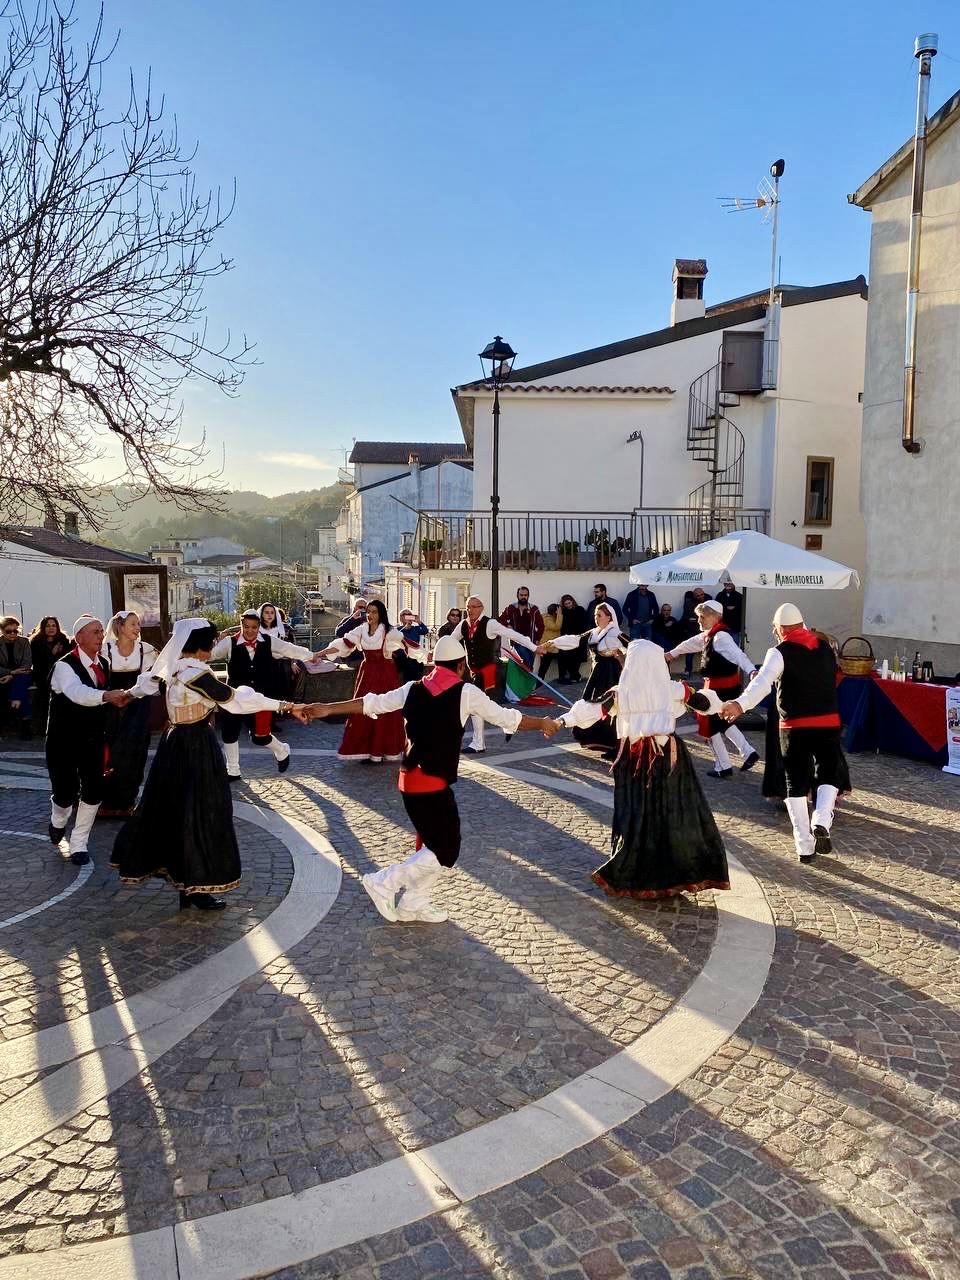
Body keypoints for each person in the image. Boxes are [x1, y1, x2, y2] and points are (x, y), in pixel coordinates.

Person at [304, 634, 559, 923]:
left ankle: (414, 903)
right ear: (461, 665)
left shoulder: (412, 688)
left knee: (431, 846)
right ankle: (385, 881)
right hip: (431, 784)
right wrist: (542, 723)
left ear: (434, 664)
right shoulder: (466, 692)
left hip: (408, 780)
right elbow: (508, 718)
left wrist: (328, 707)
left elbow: (370, 703)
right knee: (446, 849)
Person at [111, 620, 308, 910]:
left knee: (176, 810)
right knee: (203, 811)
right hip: (196, 746)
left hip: (173, 743)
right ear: (202, 644)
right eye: (212, 641)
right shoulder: (195, 673)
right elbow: (235, 700)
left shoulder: (172, 668)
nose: (214, 646)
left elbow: (144, 685)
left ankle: (186, 883)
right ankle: (195, 884)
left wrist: (127, 695)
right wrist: (285, 706)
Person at [553, 641, 731, 899]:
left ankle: (637, 874)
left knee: (636, 816)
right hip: (667, 760)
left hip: (633, 760)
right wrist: (724, 705)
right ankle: (674, 873)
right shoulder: (674, 690)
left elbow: (589, 711)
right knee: (674, 816)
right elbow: (704, 703)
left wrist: (562, 720)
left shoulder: (620, 694)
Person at [721, 603, 849, 863]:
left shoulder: (779, 651)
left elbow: (762, 683)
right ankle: (822, 819)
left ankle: (804, 845)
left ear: (779, 629)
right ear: (802, 623)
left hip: (795, 726)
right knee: (829, 771)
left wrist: (740, 704)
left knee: (795, 781)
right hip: (828, 722)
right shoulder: (825, 647)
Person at [46, 615, 132, 866]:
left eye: (100, 632)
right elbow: (77, 694)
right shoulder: (64, 666)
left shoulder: (103, 664)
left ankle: (79, 842)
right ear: (79, 637)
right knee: (64, 793)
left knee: (94, 790)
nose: (100, 636)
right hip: (63, 741)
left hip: (93, 739)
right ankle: (57, 820)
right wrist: (107, 695)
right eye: (95, 632)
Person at [211, 610, 320, 779]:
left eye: (254, 627)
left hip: (260, 697)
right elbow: (211, 654)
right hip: (234, 697)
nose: (249, 631)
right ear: (241, 625)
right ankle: (233, 770)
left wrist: (311, 656)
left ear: (259, 627)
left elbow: (289, 649)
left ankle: (281, 750)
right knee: (229, 731)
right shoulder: (229, 643)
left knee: (259, 737)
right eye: (246, 626)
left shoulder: (269, 641)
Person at [664, 599, 759, 778]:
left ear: (716, 617)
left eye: (702, 617)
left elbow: (738, 655)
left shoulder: (721, 636)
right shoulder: (709, 634)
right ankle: (744, 753)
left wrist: (752, 670)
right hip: (718, 686)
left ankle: (725, 764)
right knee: (721, 722)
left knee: (709, 724)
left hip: (721, 687)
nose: (699, 620)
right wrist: (671, 654)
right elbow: (690, 643)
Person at [453, 595, 542, 754]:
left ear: (481, 608)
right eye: (467, 607)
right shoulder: (464, 625)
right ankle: (507, 726)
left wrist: (534, 648)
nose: (470, 610)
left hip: (488, 671)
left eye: (473, 607)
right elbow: (450, 640)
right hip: (473, 672)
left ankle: (480, 742)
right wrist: (435, 652)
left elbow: (514, 635)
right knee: (484, 706)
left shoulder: (490, 623)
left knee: (476, 706)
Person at [321, 599, 406, 762]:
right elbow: (343, 644)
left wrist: (425, 654)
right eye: (368, 612)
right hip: (367, 673)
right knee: (363, 708)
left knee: (385, 709)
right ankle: (369, 750)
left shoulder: (389, 631)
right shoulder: (361, 630)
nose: (370, 615)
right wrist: (320, 654)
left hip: (385, 675)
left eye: (374, 612)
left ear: (381, 614)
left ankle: (382, 750)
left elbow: (407, 644)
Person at [98, 612, 159, 817]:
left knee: (134, 753)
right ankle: (106, 802)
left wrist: (131, 696)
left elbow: (151, 680)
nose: (137, 628)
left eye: (138, 624)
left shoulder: (146, 650)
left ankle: (126, 801)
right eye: (133, 624)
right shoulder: (105, 651)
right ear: (120, 626)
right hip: (110, 709)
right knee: (111, 752)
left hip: (137, 708)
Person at [545, 603, 626, 754]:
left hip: (610, 673)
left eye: (599, 615)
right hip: (596, 672)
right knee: (590, 703)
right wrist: (554, 642)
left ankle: (613, 744)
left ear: (609, 617)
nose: (596, 618)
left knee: (608, 707)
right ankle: (594, 739)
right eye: (595, 615)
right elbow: (575, 640)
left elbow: (634, 646)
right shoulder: (594, 633)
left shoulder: (615, 633)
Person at [29, 616, 71, 732]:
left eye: (53, 625)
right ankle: (42, 726)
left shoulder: (63, 640)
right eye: (47, 626)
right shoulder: (36, 642)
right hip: (42, 674)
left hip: (59, 673)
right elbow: (37, 662)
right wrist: (51, 653)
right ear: (43, 628)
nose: (51, 628)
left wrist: (57, 654)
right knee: (44, 693)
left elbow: (65, 660)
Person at [0, 616, 33, 738]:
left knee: (22, 679)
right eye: (9, 631)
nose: (13, 634)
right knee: (19, 687)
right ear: (2, 631)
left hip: (23, 674)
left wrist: (12, 675)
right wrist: (11, 673)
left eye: (16, 631)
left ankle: (15, 700)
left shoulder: (24, 642)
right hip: (6, 675)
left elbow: (27, 663)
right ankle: (25, 724)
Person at [498, 586, 544, 672]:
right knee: (526, 664)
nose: (523, 597)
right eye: (521, 595)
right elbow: (500, 619)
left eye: (525, 595)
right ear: (517, 595)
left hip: (531, 642)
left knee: (528, 665)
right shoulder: (511, 608)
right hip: (516, 641)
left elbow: (541, 625)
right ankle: (527, 678)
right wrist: (508, 625)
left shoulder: (534, 609)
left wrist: (538, 639)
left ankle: (527, 683)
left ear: (528, 596)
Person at [557, 594, 589, 684]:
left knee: (577, 659)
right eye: (566, 604)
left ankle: (575, 676)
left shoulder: (580, 609)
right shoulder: (564, 612)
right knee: (569, 658)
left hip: (579, 638)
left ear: (572, 601)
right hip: (567, 639)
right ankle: (573, 676)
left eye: (569, 603)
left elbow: (585, 623)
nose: (568, 605)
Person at [680, 586, 710, 675]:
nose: (701, 597)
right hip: (692, 630)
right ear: (694, 596)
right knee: (690, 650)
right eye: (698, 595)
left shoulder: (708, 602)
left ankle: (706, 671)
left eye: (702, 594)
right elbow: (686, 617)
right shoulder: (689, 604)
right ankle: (688, 670)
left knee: (707, 651)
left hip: (705, 630)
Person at [396, 610, 430, 682]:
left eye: (409, 614)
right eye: (405, 614)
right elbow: (396, 636)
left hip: (415, 657)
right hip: (404, 657)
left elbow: (425, 630)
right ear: (401, 617)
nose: (408, 616)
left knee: (417, 672)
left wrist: (419, 621)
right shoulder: (398, 629)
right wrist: (405, 627)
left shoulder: (415, 629)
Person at [536, 604, 563, 684]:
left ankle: (562, 678)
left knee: (562, 661)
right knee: (543, 668)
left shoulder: (550, 618)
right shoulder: (546, 619)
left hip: (552, 647)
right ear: (555, 611)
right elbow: (556, 627)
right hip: (547, 648)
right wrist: (559, 614)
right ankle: (538, 686)